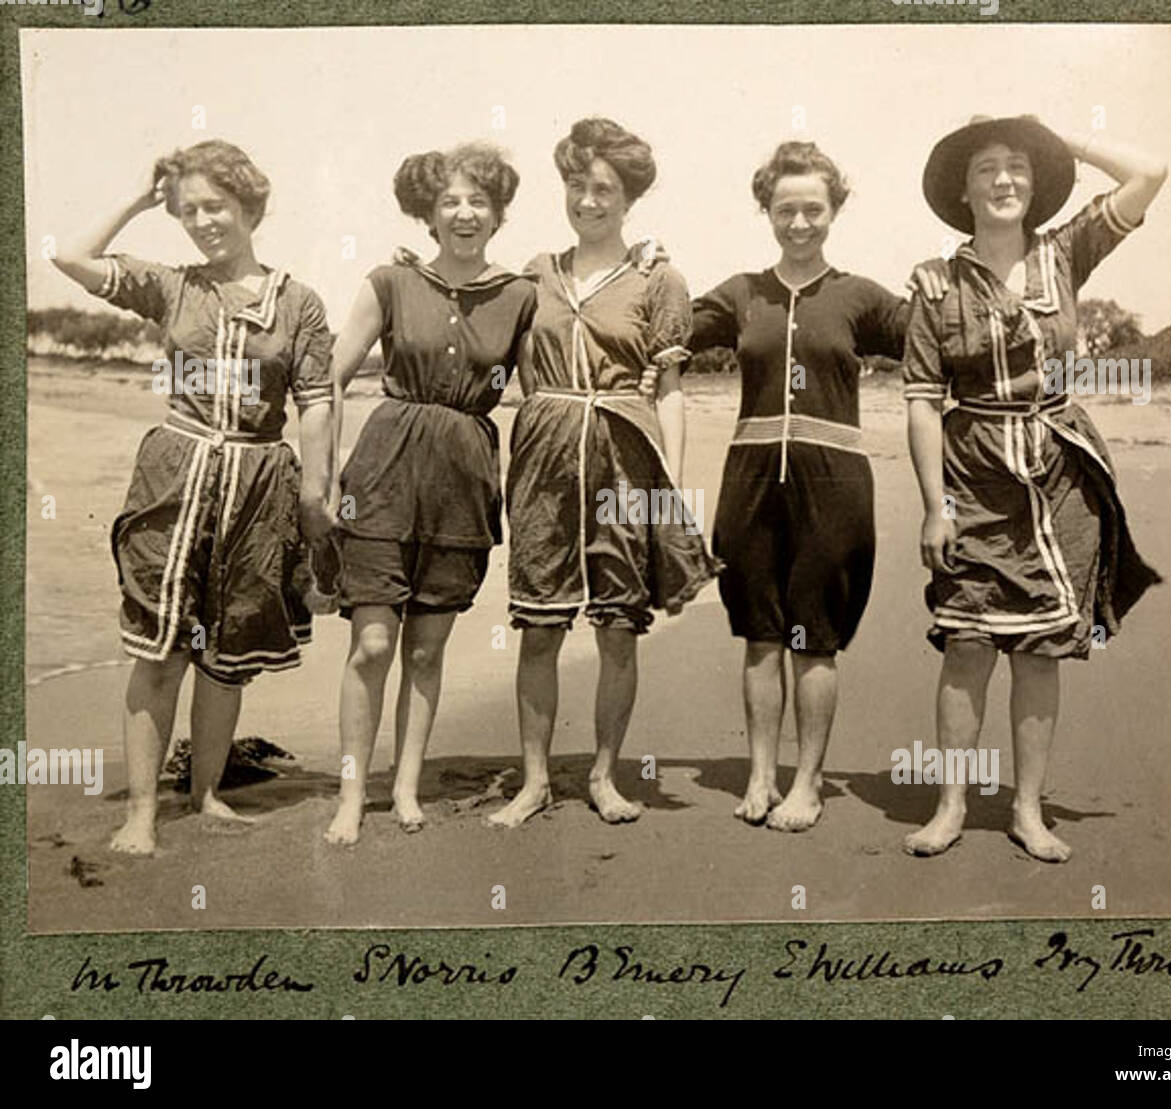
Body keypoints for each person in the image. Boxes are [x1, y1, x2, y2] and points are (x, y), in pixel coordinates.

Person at [50, 140, 334, 854]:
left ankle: (204, 792)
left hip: (259, 482)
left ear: (249, 204)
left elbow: (318, 404)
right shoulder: (173, 286)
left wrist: (318, 498)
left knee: (229, 650)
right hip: (175, 478)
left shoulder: (299, 302)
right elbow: (69, 257)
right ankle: (142, 812)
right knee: (160, 643)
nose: (203, 221)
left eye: (216, 206)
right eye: (188, 211)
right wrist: (138, 198)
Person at [902, 115, 1166, 861]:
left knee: (1042, 648)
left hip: (1056, 472)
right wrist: (933, 504)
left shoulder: (1066, 252)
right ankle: (950, 804)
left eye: (1018, 166)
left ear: (1036, 181)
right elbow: (922, 396)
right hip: (971, 475)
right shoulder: (935, 281)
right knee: (967, 641)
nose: (1004, 180)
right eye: (987, 168)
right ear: (964, 189)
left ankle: (1027, 811)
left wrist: (1064, 141)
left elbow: (1151, 172)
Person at [689, 140, 944, 832]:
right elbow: (663, 328)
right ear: (765, 210)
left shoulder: (859, 296)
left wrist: (935, 277)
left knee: (815, 635)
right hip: (749, 480)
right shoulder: (742, 293)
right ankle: (761, 775)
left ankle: (808, 783)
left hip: (834, 484)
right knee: (760, 635)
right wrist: (649, 269)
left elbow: (937, 335)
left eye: (813, 209)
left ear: (834, 210)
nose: (799, 222)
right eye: (785, 209)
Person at [488, 117, 717, 828]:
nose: (589, 201)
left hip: (627, 450)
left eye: (605, 189)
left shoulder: (660, 278)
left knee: (618, 624)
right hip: (545, 450)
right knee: (540, 624)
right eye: (577, 186)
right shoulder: (533, 275)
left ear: (629, 197)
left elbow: (671, 389)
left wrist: (672, 487)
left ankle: (604, 774)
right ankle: (533, 782)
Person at [323, 144, 537, 845]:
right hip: (383, 471)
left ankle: (408, 787)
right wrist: (319, 476)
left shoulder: (521, 295)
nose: (464, 213)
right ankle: (353, 793)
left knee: (424, 651)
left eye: (478, 201)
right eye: (449, 201)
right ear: (428, 211)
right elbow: (328, 379)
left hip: (464, 483)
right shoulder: (387, 280)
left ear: (499, 214)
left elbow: (544, 393)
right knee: (373, 644)